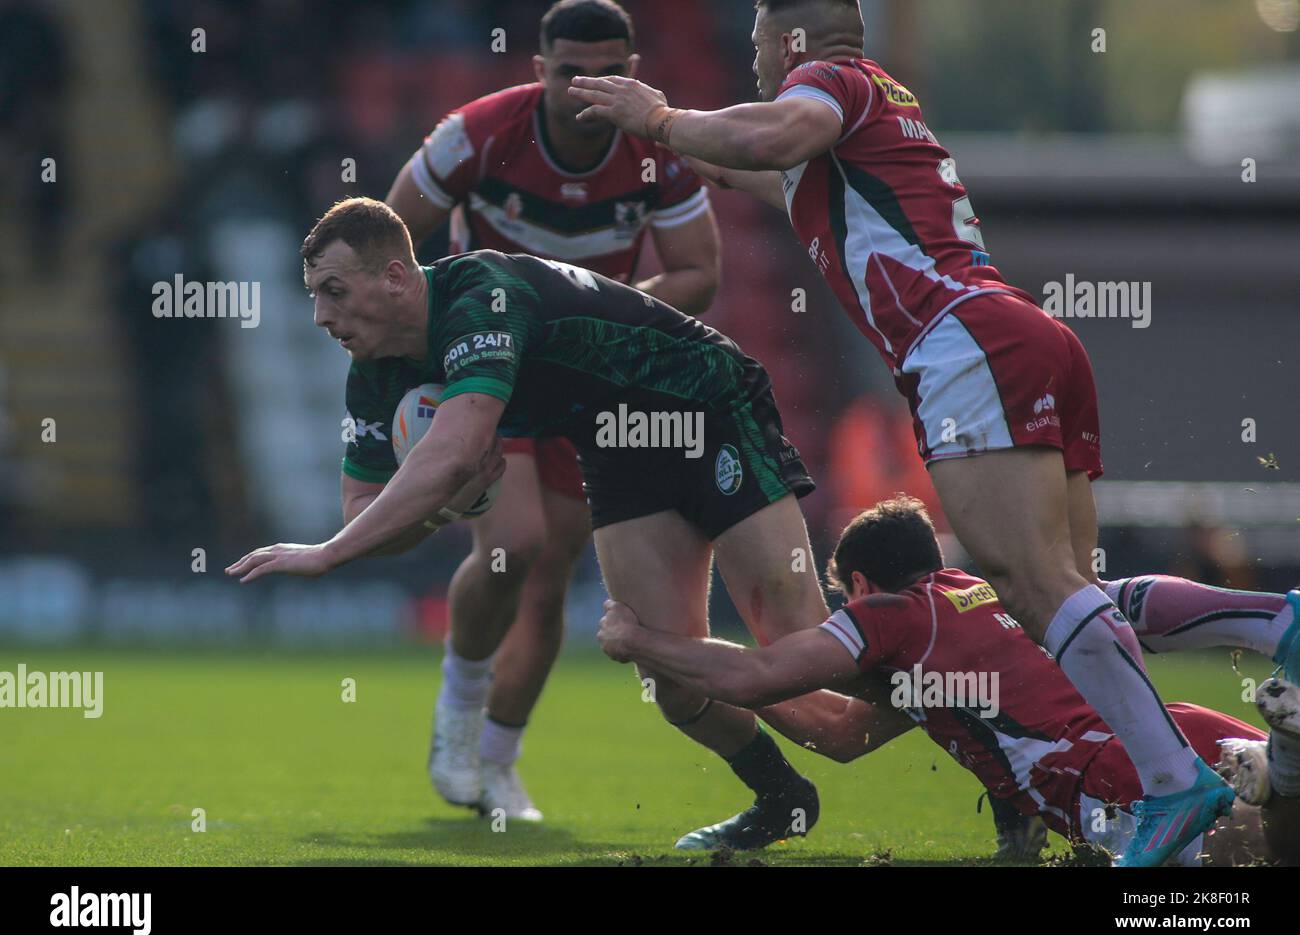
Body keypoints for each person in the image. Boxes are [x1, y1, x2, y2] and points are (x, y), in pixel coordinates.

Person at [569, 0, 1247, 864]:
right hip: (1022, 332)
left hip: (963, 342)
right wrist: (671, 143)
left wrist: (659, 115)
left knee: (1038, 584)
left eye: (756, 47)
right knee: (1073, 597)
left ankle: (1223, 698)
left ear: (792, 39)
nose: (754, 65)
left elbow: (771, 137)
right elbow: (762, 167)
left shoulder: (829, 80)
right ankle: (1181, 766)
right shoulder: (879, 111)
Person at [228, 197, 837, 850]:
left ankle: (942, 663)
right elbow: (366, 512)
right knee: (670, 679)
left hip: (709, 406)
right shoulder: (374, 375)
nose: (321, 316)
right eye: (315, 296)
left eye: (334, 291)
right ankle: (783, 798)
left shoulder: (481, 296)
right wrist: (445, 506)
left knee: (810, 670)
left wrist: (329, 553)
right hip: (616, 447)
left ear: (397, 278)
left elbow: (455, 450)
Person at [385, 0, 720, 820]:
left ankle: (498, 760)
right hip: (489, 359)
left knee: (549, 577)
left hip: (582, 375)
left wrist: (601, 322)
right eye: (570, 70)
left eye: (607, 71)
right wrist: (434, 334)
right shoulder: (478, 134)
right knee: (515, 544)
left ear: (632, 73)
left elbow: (697, 272)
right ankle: (457, 716)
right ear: (540, 70)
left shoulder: (658, 150)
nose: (586, 87)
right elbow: (392, 241)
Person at [596, 495, 1300, 865]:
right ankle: (1281, 752)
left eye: (848, 596)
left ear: (864, 585)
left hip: (1107, 776)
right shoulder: (989, 590)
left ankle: (1284, 762)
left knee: (1242, 873)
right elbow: (856, 730)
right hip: (1174, 728)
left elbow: (757, 679)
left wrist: (642, 643)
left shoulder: (896, 615)